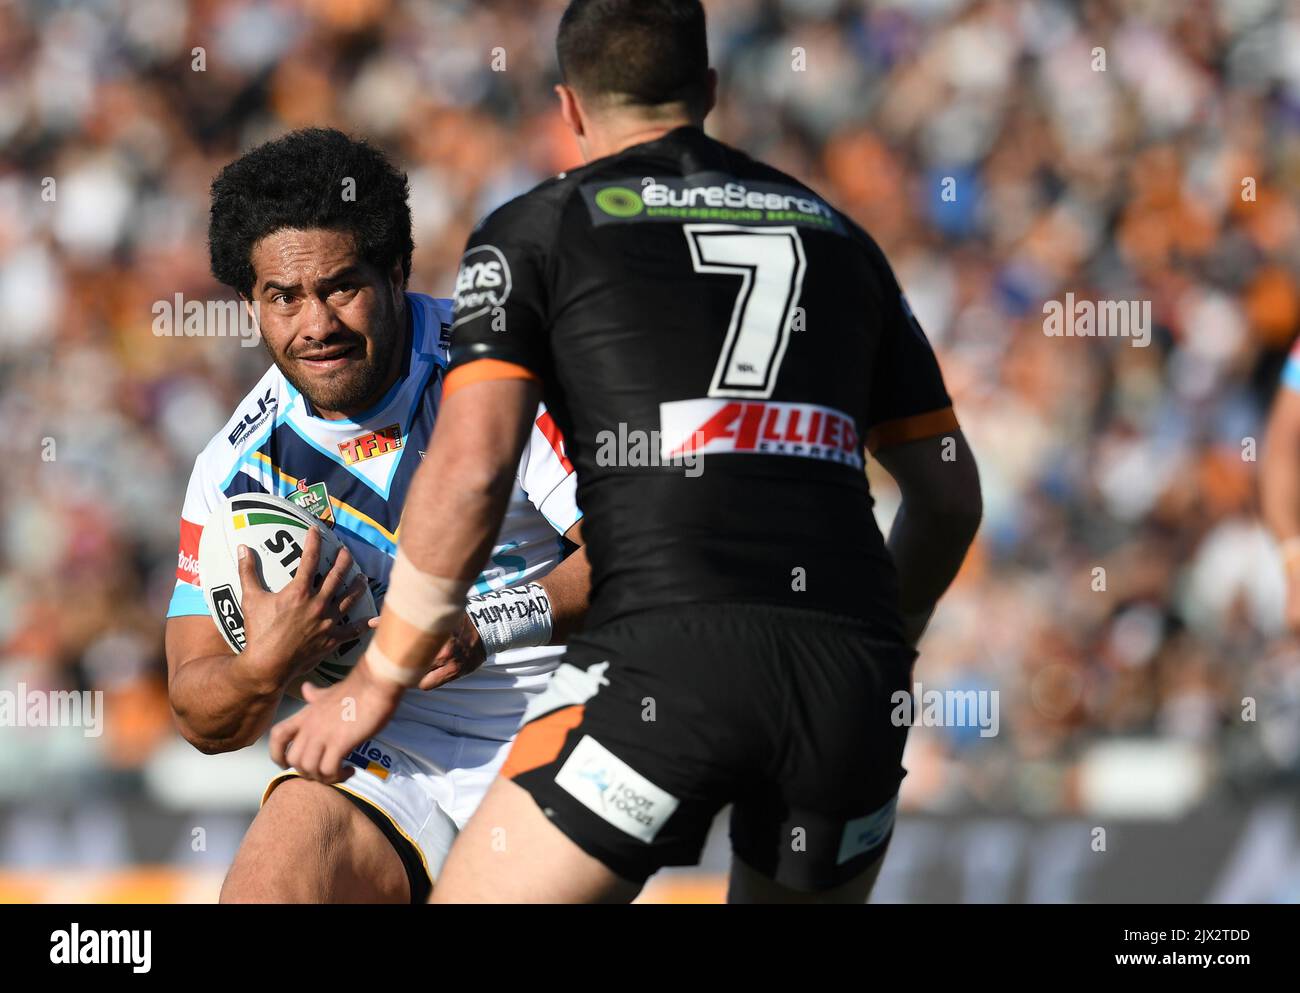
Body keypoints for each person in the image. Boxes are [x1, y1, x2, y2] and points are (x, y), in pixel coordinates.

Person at [273, 0, 982, 904]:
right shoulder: (845, 240)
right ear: (711, 92)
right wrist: (887, 646)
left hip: (664, 657)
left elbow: (476, 466)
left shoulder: (537, 231)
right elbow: (952, 497)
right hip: (850, 678)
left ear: (569, 107)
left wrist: (377, 677)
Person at [164, 128, 590, 903]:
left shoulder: (500, 371)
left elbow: (637, 555)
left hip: (562, 719)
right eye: (282, 297)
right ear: (251, 303)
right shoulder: (232, 469)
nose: (314, 324)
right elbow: (197, 706)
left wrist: (486, 625)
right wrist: (265, 665)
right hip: (390, 746)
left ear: (396, 272)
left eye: (340, 286)